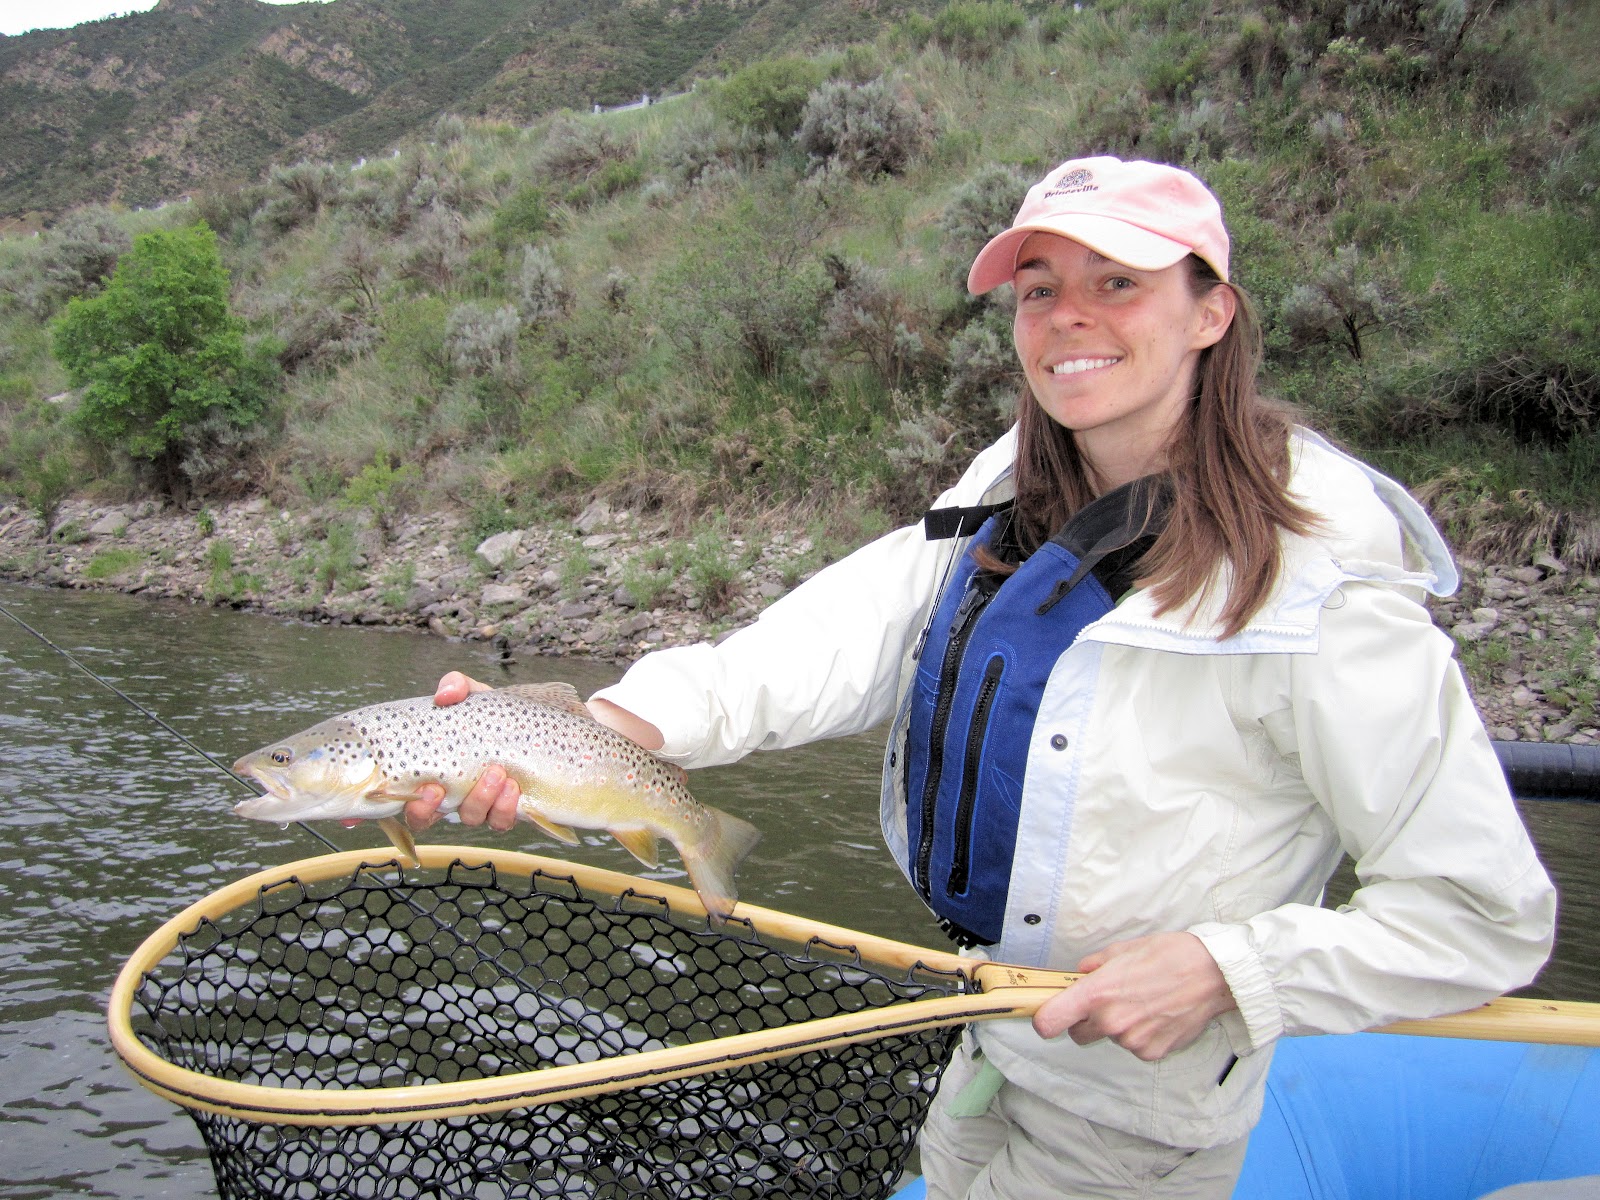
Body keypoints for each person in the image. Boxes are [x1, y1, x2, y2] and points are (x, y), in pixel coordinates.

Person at [401, 156, 1557, 1199]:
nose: (1067, 320)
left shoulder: (1327, 591)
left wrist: (1223, 966)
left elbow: (1483, 914)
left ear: (1212, 312)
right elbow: (817, 648)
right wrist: (592, 728)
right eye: (1039, 288)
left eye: (1118, 284)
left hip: (1141, 1118)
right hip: (987, 1032)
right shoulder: (1006, 489)